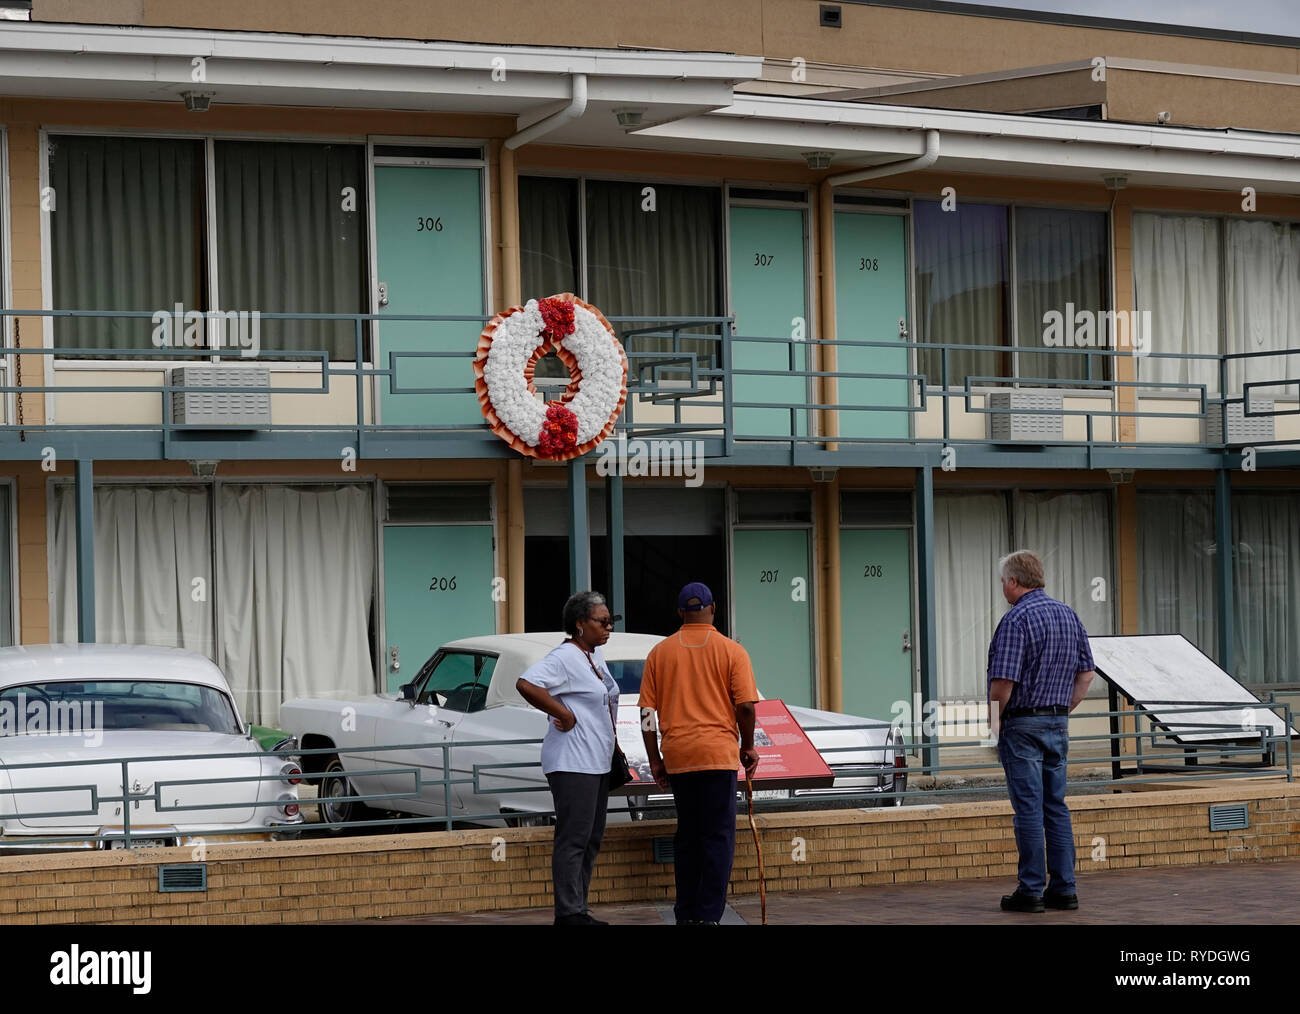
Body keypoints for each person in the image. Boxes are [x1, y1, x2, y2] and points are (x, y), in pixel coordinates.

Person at [639, 582, 759, 925]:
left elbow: (647, 714)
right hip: (718, 755)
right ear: (713, 608)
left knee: (688, 835)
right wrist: (747, 746)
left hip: (679, 756)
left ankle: (686, 913)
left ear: (680, 613)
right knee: (718, 837)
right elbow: (746, 707)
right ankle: (709, 916)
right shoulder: (732, 651)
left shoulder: (659, 653)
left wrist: (655, 760)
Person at [987, 550, 1097, 914]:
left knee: (1028, 809)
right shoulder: (1069, 615)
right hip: (1057, 723)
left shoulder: (1015, 620)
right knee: (1056, 805)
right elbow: (1086, 673)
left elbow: (1003, 681)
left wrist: (993, 723)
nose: (1002, 587)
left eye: (1004, 580)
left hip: (1022, 723)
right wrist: (1065, 709)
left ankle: (1031, 889)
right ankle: (1064, 888)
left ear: (1015, 582)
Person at [516, 590, 620, 926]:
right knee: (573, 837)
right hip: (572, 761)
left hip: (598, 760)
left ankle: (579, 906)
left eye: (610, 622)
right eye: (602, 622)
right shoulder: (564, 657)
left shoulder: (594, 655)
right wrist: (562, 712)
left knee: (591, 837)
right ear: (579, 624)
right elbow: (527, 684)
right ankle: (569, 913)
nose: (608, 628)